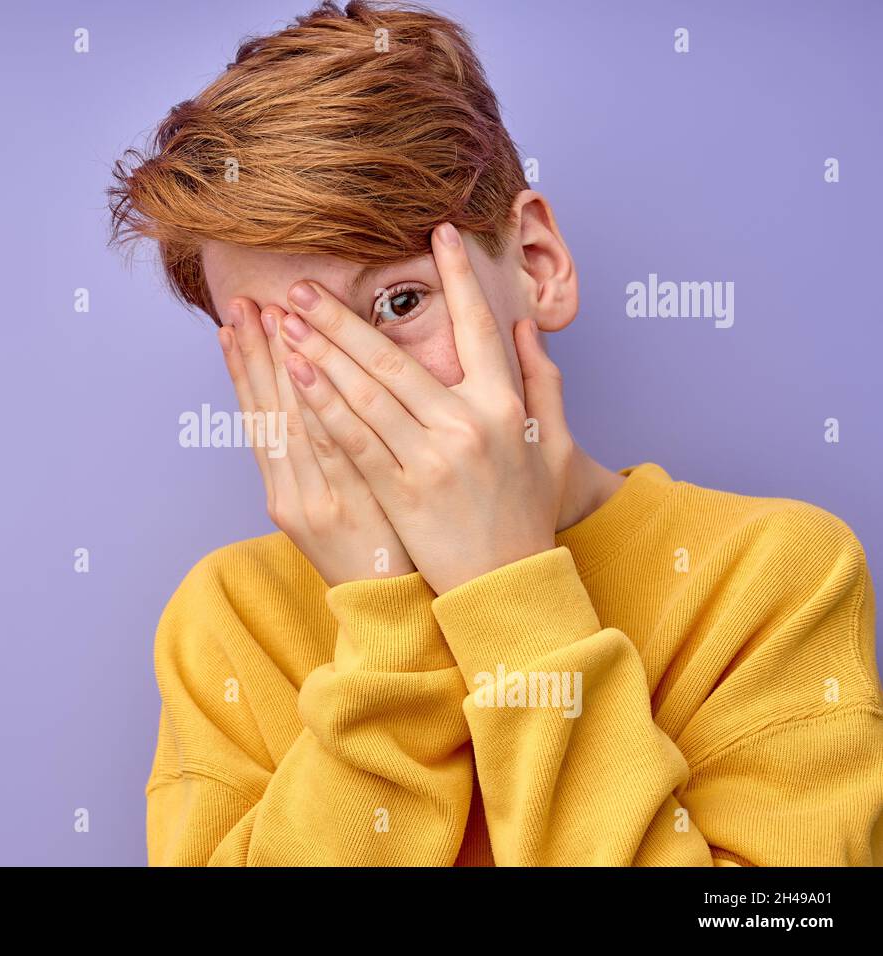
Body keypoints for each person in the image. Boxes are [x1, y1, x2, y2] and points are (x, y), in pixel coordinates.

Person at [108, 0, 883, 865]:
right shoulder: (231, 621)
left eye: (399, 303)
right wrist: (387, 632)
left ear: (537, 267)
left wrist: (506, 585)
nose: (358, 393)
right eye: (292, 347)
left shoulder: (774, 576)